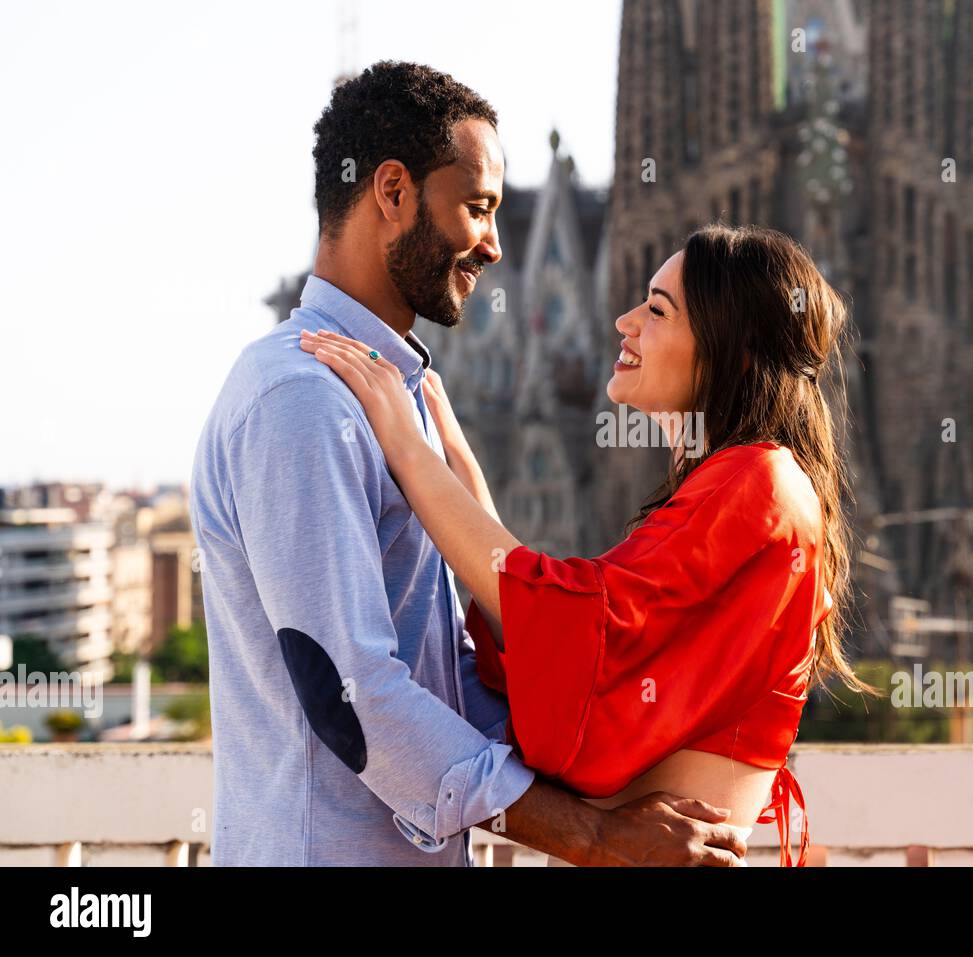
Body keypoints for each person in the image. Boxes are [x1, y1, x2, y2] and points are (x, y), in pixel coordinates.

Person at [189, 61, 746, 866]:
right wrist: (594, 835)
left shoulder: (392, 396)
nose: (491, 241)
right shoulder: (300, 400)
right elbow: (353, 698)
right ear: (392, 193)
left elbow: (443, 677)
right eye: (478, 208)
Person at [299, 223, 884, 867]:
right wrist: (462, 476)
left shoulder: (760, 482)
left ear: (736, 350)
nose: (625, 322)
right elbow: (584, 641)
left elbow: (586, 630)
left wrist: (410, 452)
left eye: (658, 310)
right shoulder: (744, 481)